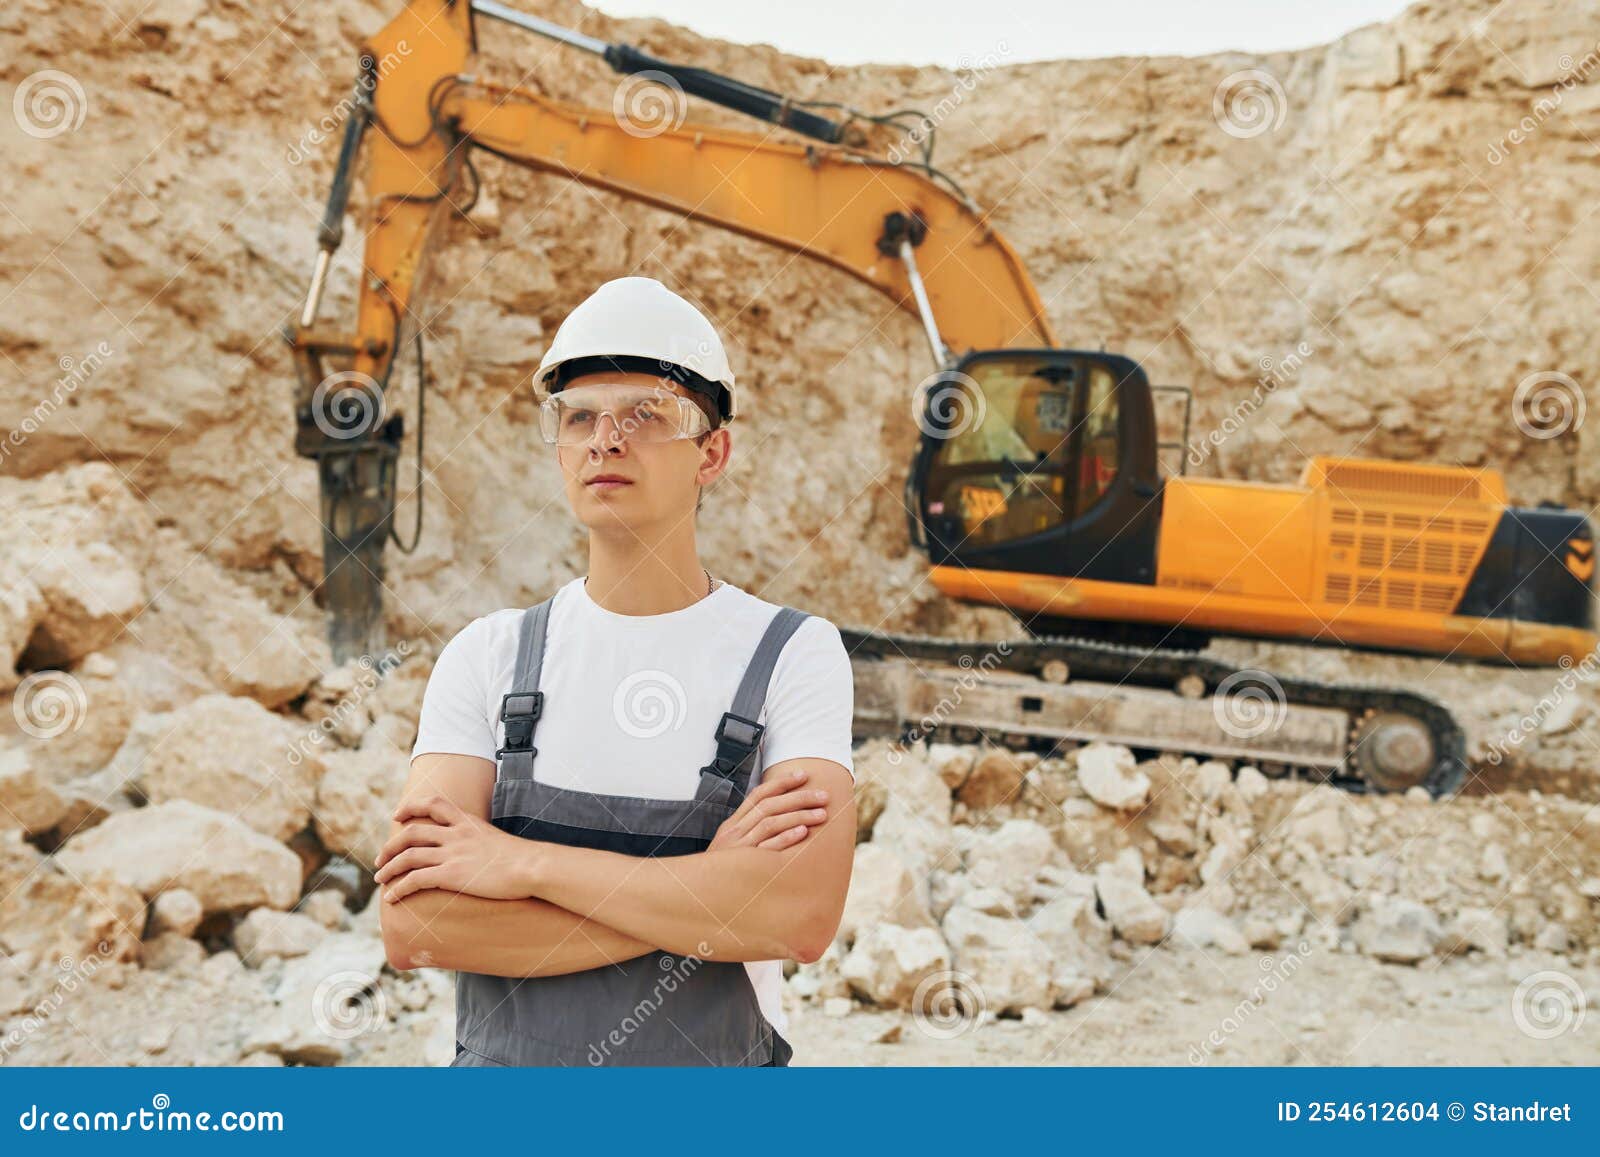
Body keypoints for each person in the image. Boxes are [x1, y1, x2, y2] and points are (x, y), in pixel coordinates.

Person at [375, 276, 857, 1067]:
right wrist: (710, 889)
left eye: (646, 414)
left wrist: (521, 864)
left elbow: (798, 913)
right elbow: (418, 926)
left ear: (713, 451)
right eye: (579, 417)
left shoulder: (792, 655)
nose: (605, 439)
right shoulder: (488, 656)